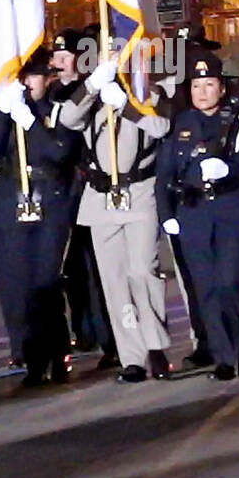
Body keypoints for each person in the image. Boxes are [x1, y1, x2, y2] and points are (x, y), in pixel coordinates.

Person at [58, 45, 173, 384]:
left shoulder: (147, 91)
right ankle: (132, 357)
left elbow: (161, 127)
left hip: (139, 193)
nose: (113, 58)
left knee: (143, 271)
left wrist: (126, 106)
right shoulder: (92, 94)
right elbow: (67, 119)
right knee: (115, 283)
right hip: (101, 197)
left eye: (119, 53)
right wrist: (94, 84)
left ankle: (155, 345)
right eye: (107, 53)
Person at [157, 51, 239, 381]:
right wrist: (166, 214)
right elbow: (165, 173)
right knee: (205, 289)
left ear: (221, 87)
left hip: (230, 211)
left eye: (209, 84)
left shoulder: (238, 120)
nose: (202, 92)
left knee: (229, 282)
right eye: (197, 85)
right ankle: (223, 358)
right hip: (193, 212)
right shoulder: (182, 123)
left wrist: (227, 170)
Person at [0, 47, 83, 386]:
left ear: (47, 79)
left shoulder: (57, 112)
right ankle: (32, 359)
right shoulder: (8, 112)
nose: (28, 84)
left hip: (49, 203)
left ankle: (58, 355)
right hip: (12, 203)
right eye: (22, 77)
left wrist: (30, 121)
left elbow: (59, 152)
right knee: (19, 287)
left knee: (46, 284)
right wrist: (2, 112)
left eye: (35, 77)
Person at [49, 27, 118, 369]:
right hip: (57, 194)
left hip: (86, 186)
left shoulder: (88, 91)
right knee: (71, 270)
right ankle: (84, 332)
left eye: (65, 55)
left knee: (96, 269)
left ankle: (110, 339)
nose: (58, 62)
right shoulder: (48, 94)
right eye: (56, 56)